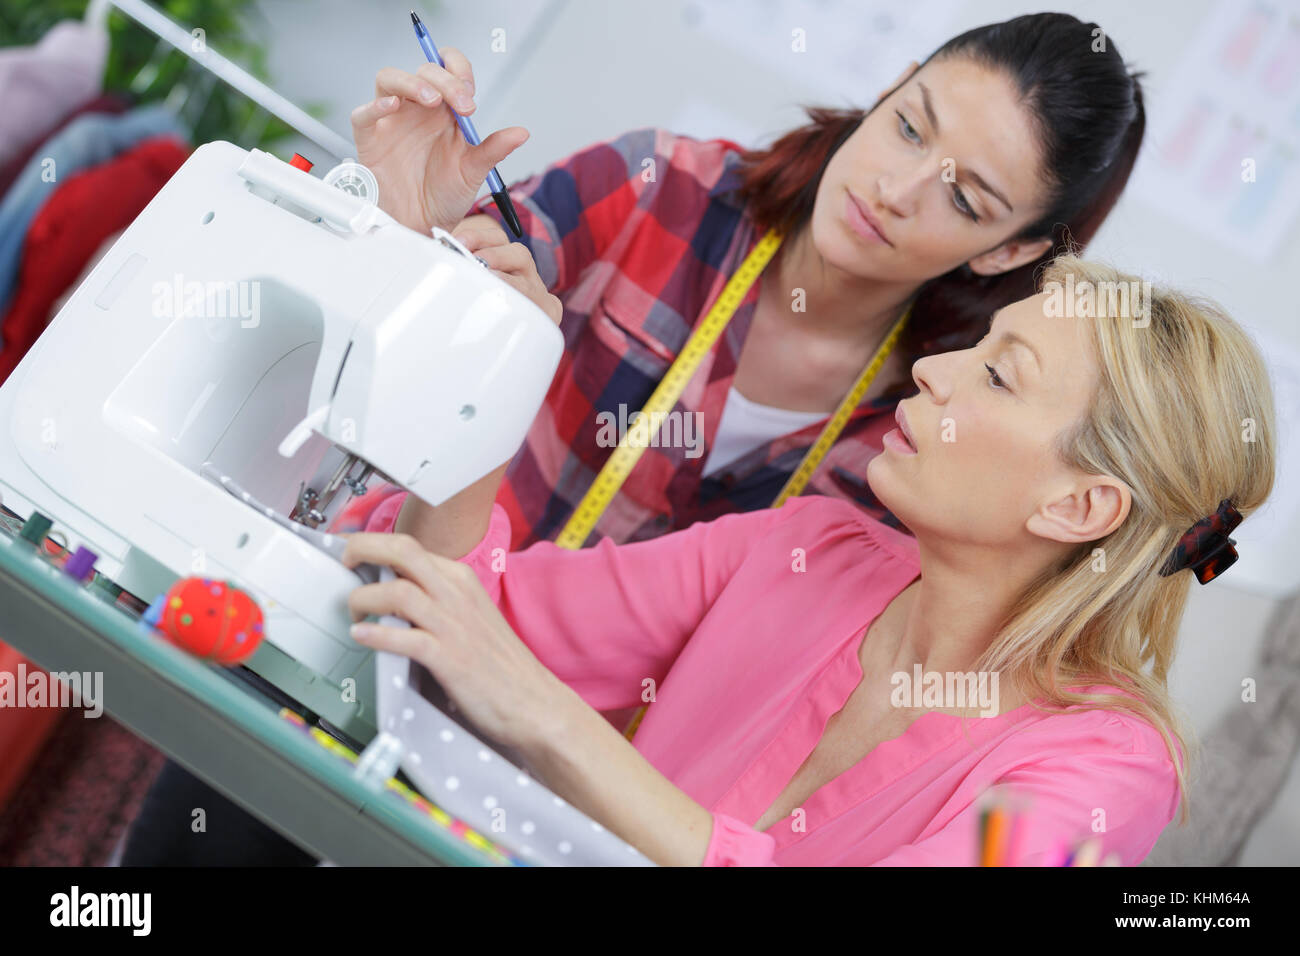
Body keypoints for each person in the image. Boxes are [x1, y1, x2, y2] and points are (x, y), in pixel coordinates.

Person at [119, 10, 1149, 865]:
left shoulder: (922, 456)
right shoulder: (663, 189)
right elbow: (397, 356)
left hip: (574, 810)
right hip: (379, 640)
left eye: (964, 198)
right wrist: (408, 232)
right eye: (909, 126)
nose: (894, 188)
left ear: (1010, 247)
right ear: (892, 85)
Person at [341, 257, 1277, 865]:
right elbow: (454, 618)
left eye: (997, 374)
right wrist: (496, 368)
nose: (933, 369)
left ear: (1078, 506)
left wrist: (550, 722)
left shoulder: (1103, 765)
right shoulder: (805, 550)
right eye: (977, 344)